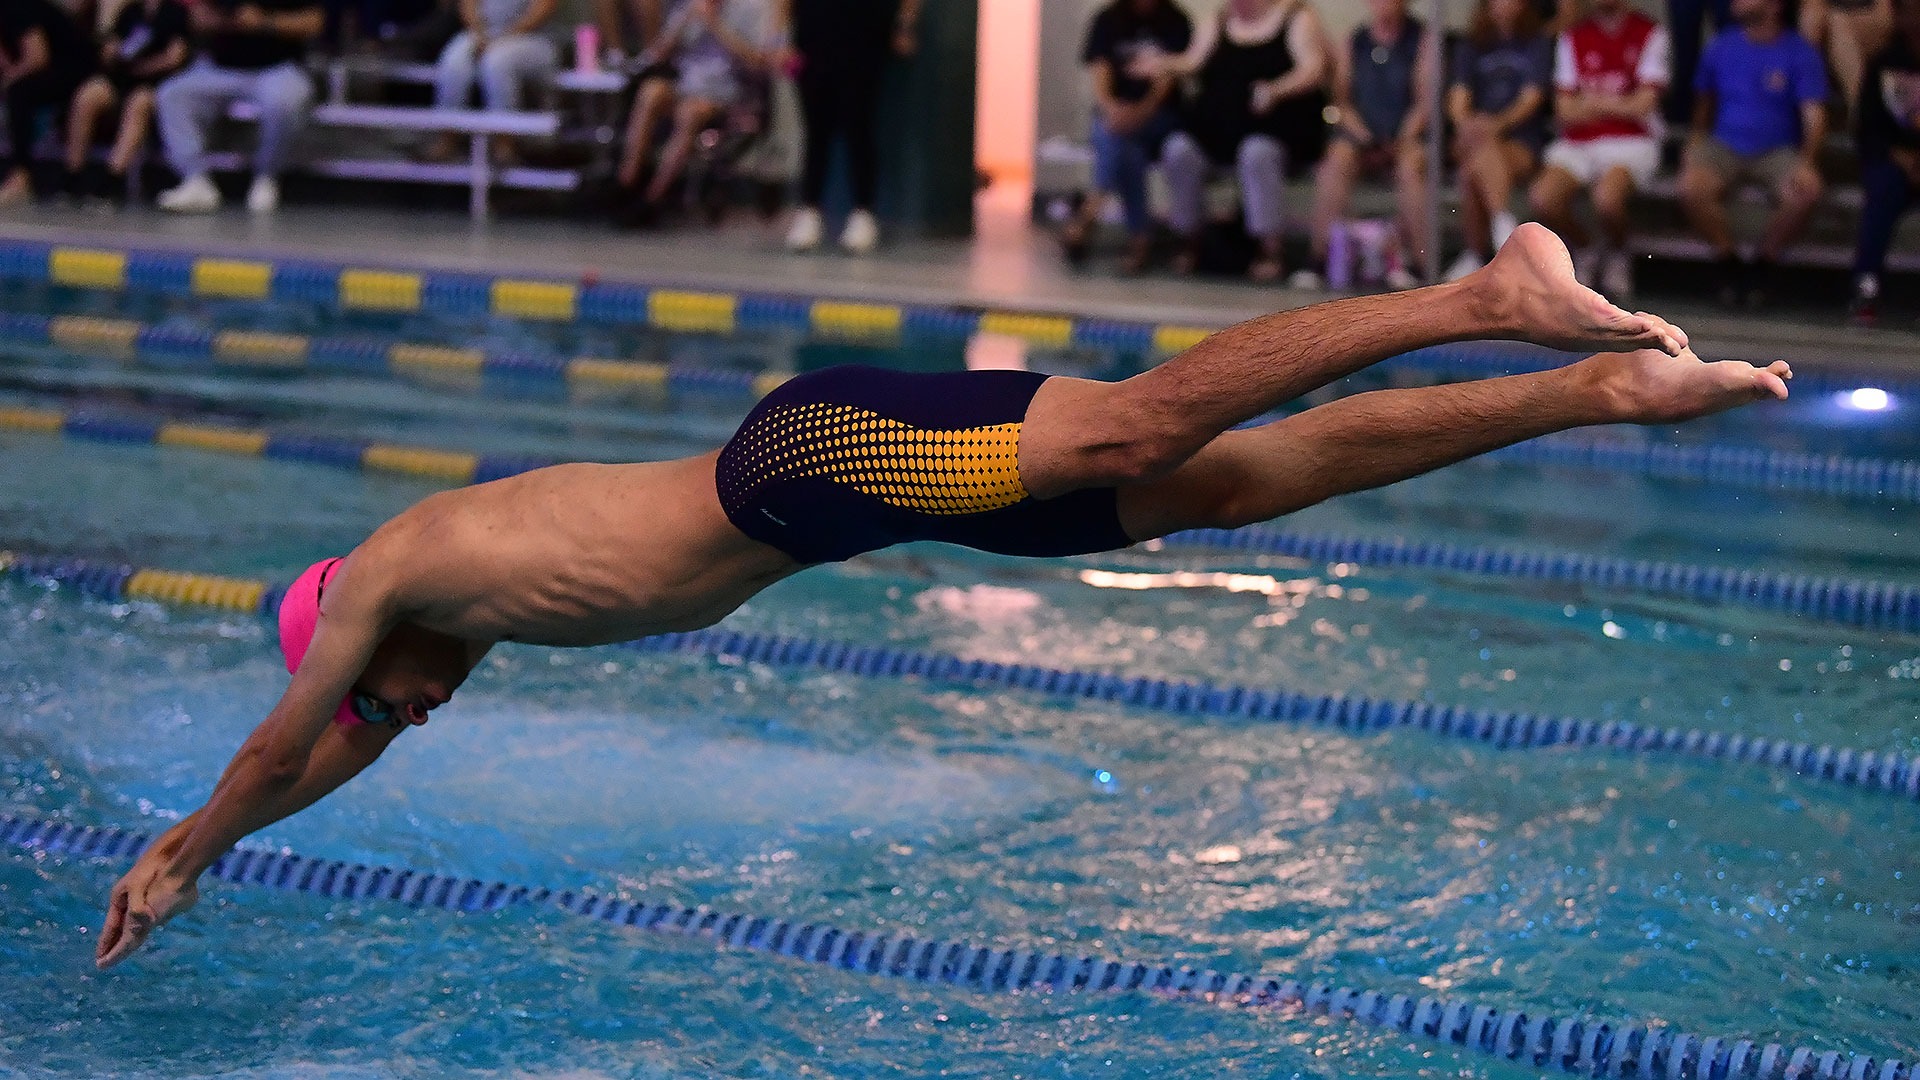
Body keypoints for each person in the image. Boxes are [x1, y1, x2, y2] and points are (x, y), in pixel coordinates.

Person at [91, 225, 1796, 969]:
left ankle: (1486, 293)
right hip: (836, 505)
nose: (412, 722)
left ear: (368, 654)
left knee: (1139, 423)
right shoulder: (440, 633)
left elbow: (274, 754)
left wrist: (182, 853)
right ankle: (1589, 394)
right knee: (1223, 489)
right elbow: (335, 760)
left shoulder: (396, 577)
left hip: (806, 461)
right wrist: (233, 840)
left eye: (391, 704)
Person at [1148, 0, 1332, 282]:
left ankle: (1269, 250)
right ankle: (1190, 240)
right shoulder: (1220, 20)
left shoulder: (1296, 17)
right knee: (1178, 150)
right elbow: (1192, 61)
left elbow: (1312, 69)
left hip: (1278, 129)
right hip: (1220, 130)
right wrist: (1160, 63)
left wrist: (1276, 90)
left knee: (1256, 153)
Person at [1678, 0, 1827, 307]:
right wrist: (1696, 139)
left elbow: (1814, 116)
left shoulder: (1799, 52)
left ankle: (1764, 263)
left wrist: (1807, 162)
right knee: (1691, 187)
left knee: (1806, 191)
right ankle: (1728, 261)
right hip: (1724, 145)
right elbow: (1704, 100)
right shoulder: (1721, 45)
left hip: (1777, 150)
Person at [1526, 0, 1668, 299]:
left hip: (1632, 140)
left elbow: (1644, 105)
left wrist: (1592, 103)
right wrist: (1618, 104)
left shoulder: (1650, 33)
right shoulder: (1573, 35)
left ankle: (1618, 254)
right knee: (1543, 198)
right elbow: (1564, 109)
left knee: (1607, 198)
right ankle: (1586, 247)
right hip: (1579, 141)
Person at [1295, 0, 1438, 290]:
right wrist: (1364, 136)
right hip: (1363, 136)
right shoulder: (1355, 40)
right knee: (1336, 161)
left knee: (1412, 165)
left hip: (1405, 135)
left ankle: (1421, 263)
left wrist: (1401, 137)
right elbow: (1341, 101)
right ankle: (1317, 258)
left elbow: (1425, 101)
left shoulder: (1423, 40)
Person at [153, 0, 325, 215]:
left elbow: (314, 23)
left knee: (285, 101)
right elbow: (197, 19)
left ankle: (267, 177)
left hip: (277, 68)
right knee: (172, 94)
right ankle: (196, 180)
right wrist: (227, 21)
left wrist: (264, 23)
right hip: (220, 68)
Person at [779, 0, 922, 255]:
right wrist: (782, 39)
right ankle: (809, 211)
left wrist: (904, 25)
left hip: (865, 34)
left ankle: (863, 213)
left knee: (859, 125)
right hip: (814, 33)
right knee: (815, 128)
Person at [1060, 0, 1193, 273]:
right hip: (1115, 116)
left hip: (1159, 115)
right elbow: (1100, 69)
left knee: (1119, 140)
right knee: (1124, 148)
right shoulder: (1107, 19)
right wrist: (1111, 107)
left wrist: (1141, 113)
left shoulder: (1176, 20)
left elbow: (1167, 79)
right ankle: (1139, 237)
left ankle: (1089, 211)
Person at [612, 0, 773, 222]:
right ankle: (628, 180)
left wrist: (715, 24)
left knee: (690, 112)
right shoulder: (690, 6)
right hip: (686, 85)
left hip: (726, 92)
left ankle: (653, 197)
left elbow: (757, 62)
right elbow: (658, 53)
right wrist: (683, 23)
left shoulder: (750, 9)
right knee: (651, 92)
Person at [1446, 0, 1554, 283]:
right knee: (1479, 158)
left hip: (1520, 140)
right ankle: (1504, 229)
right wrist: (1468, 125)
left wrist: (1495, 125)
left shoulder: (1537, 43)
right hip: (1477, 137)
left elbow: (1531, 99)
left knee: (1474, 168)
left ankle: (1476, 253)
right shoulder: (1471, 45)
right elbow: (1458, 99)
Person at [61, 0, 192, 205]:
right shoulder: (130, 12)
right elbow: (109, 54)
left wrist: (141, 68)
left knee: (139, 102)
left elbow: (175, 57)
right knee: (88, 95)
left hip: (158, 83)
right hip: (122, 79)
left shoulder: (176, 13)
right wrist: (110, 46)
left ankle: (112, 179)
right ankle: (72, 174)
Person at [1845, 0, 1920, 321]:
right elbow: (1867, 126)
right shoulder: (1884, 62)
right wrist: (1898, 155)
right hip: (1893, 160)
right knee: (1882, 191)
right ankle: (1866, 286)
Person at [423, 0, 559, 163]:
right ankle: (447, 139)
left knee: (497, 62)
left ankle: (504, 144)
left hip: (532, 37)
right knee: (454, 62)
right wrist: (480, 34)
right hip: (483, 33)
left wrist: (503, 38)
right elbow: (468, 5)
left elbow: (542, 10)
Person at [0, 0, 97, 207]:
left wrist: (8, 81)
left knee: (19, 93)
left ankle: (21, 176)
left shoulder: (16, 6)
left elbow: (37, 57)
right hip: (50, 69)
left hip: (79, 68)